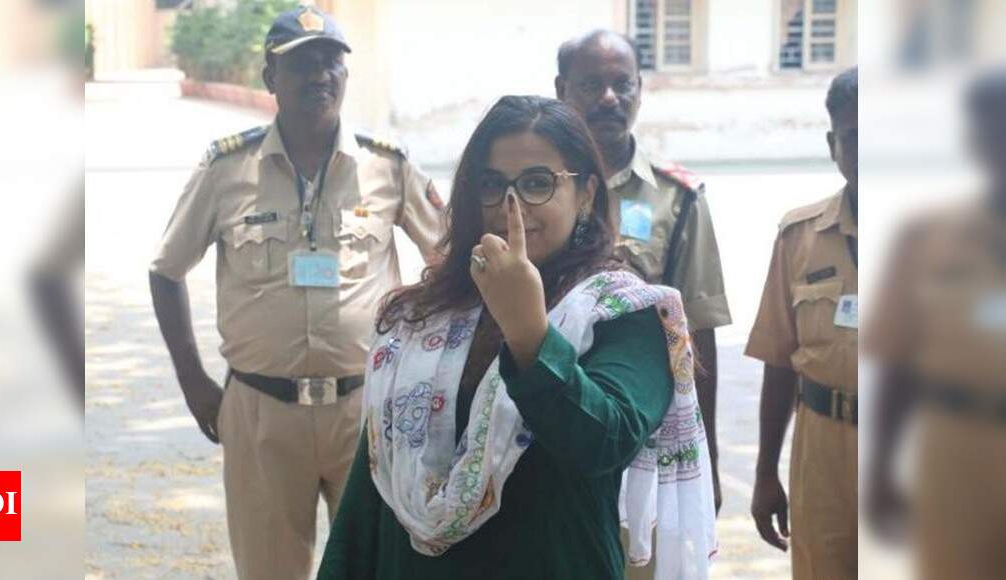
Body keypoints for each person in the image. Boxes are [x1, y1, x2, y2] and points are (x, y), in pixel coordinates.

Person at [317, 95, 715, 580]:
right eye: (493, 184)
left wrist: (530, 336)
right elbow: (371, 487)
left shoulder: (623, 312)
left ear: (586, 193)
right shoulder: (422, 315)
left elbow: (604, 442)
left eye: (537, 183)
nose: (513, 205)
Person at [148, 7, 444, 579]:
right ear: (269, 79)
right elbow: (166, 271)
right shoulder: (226, 168)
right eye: (303, 64)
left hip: (367, 413)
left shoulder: (388, 167)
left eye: (332, 62)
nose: (320, 76)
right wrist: (193, 383)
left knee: (376, 567)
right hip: (260, 412)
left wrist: (427, 367)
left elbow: (450, 263)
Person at [555, 30, 731, 520]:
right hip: (544, 417)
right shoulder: (536, 185)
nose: (610, 98)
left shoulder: (678, 197)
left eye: (623, 84)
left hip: (644, 425)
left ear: (639, 90)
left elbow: (698, 329)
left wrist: (707, 459)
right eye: (591, 85)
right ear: (561, 90)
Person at [866, 67, 1006, 579]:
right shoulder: (925, 238)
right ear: (975, 139)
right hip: (955, 450)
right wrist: (880, 472)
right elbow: (897, 361)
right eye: (995, 130)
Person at [745, 67, 858, 580]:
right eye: (856, 139)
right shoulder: (800, 237)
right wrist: (766, 471)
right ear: (834, 144)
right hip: (825, 451)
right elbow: (778, 360)